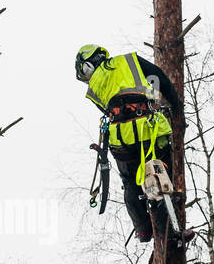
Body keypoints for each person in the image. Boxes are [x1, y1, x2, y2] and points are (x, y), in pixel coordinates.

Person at [75, 43, 183, 243]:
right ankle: (168, 230)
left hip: (120, 139)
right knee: (160, 170)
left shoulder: (93, 88)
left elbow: (109, 111)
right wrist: (172, 104)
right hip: (148, 128)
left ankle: (142, 228)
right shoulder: (128, 61)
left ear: (88, 66)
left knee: (130, 181)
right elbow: (156, 76)